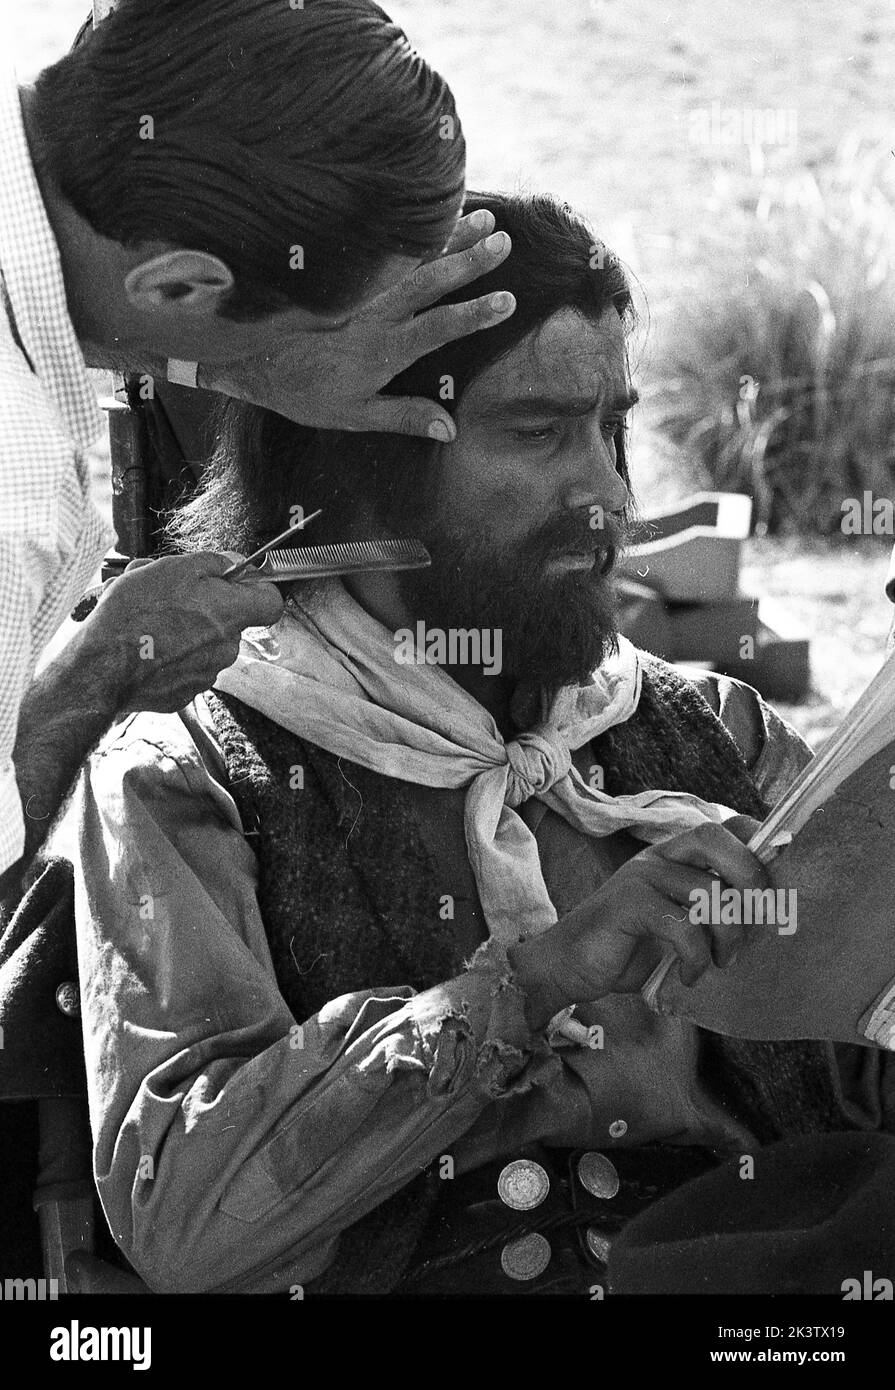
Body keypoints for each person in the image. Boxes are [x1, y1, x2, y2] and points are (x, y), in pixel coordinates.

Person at [63, 192, 894, 1296]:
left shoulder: (714, 730)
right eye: (538, 433)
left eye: (614, 430)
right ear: (358, 463)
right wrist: (533, 981)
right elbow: (189, 1221)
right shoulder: (186, 772)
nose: (605, 494)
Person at [0, 0, 515, 891]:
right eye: (320, 323)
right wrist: (98, 671)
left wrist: (239, 364)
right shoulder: (17, 495)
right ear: (181, 284)